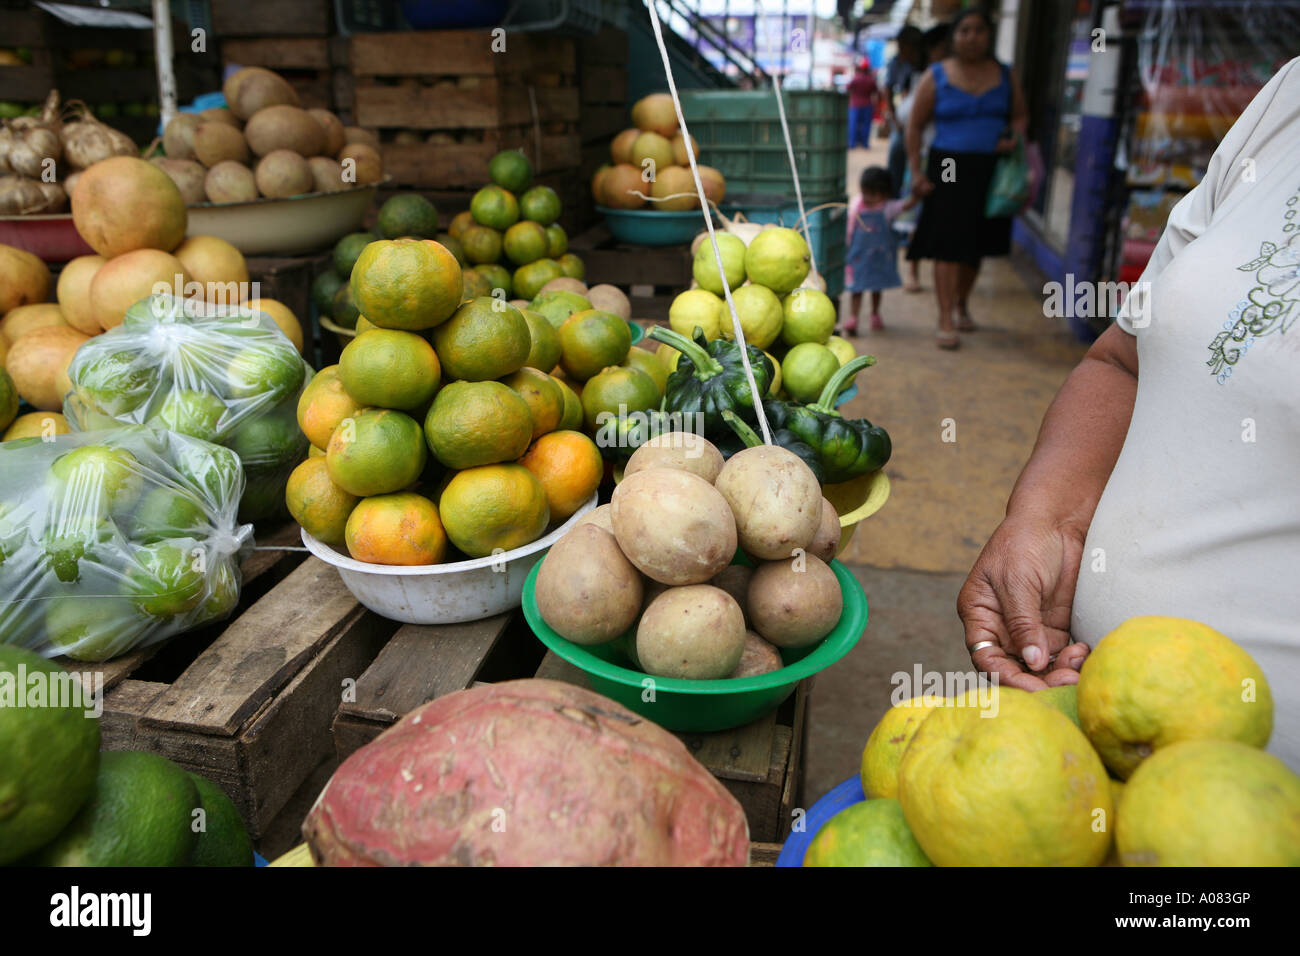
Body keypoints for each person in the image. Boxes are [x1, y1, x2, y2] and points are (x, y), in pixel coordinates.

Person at [958, 58, 1300, 771]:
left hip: (1253, 816)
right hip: (1084, 722)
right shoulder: (1287, 103)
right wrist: (1045, 523)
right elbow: (1123, 361)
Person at [905, 9, 1026, 349]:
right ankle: (945, 316)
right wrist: (915, 172)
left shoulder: (1005, 75)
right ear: (954, 37)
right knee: (947, 241)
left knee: (976, 244)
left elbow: (1020, 116)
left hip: (991, 169)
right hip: (949, 167)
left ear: (989, 36)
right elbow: (914, 126)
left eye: (979, 30)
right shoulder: (937, 75)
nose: (972, 37)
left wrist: (1012, 138)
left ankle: (961, 304)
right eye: (965, 30)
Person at [897, 23, 951, 294]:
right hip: (922, 155)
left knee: (943, 215)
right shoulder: (925, 77)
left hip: (947, 160)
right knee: (914, 215)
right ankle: (913, 269)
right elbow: (909, 119)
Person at [840, 166, 917, 334]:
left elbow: (906, 205)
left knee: (876, 287)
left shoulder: (888, 208)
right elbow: (849, 228)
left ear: (885, 194)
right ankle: (854, 317)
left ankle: (875, 314)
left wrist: (917, 195)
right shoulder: (856, 206)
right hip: (859, 257)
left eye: (872, 195)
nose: (866, 198)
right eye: (864, 192)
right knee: (856, 288)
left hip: (878, 258)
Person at [883, 26, 924, 197]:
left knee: (930, 167)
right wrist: (894, 120)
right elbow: (888, 91)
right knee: (897, 157)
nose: (901, 50)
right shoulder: (896, 63)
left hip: (924, 128)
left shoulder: (927, 66)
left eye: (904, 45)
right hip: (904, 126)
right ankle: (894, 200)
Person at [846, 58, 878, 150]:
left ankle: (852, 143)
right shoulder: (871, 80)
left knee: (853, 125)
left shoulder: (856, 79)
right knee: (866, 125)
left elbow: (847, 88)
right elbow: (875, 91)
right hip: (867, 105)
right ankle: (865, 144)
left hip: (855, 105)